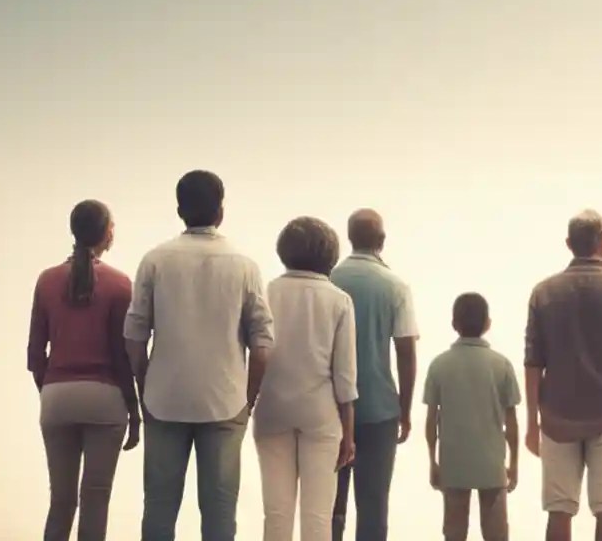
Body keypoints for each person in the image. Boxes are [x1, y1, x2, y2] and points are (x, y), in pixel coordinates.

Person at [124, 170, 275, 541]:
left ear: (179, 210)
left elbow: (134, 336)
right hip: (224, 400)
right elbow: (263, 343)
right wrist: (248, 398)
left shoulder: (155, 260)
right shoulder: (244, 264)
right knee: (220, 511)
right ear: (221, 210)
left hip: (164, 398)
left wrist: (145, 384)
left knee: (159, 506)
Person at [525, 209, 602, 541]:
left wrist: (531, 423)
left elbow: (533, 362)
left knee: (559, 509)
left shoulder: (543, 292)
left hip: (556, 416)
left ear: (569, 244)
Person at [27, 200, 141, 541]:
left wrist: (51, 391)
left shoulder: (46, 281)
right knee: (95, 499)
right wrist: (134, 412)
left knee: (60, 502)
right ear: (107, 233)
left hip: (57, 395)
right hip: (105, 399)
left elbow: (36, 354)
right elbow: (123, 358)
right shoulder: (120, 284)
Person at [253, 217, 359, 541]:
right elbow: (345, 376)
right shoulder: (339, 300)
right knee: (318, 517)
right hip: (320, 414)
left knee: (276, 513)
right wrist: (349, 433)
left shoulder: (266, 292)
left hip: (271, 410)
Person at [329, 208, 419, 541]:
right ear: (381, 240)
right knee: (373, 505)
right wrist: (405, 411)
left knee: (331, 504)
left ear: (349, 238)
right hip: (380, 410)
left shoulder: (329, 279)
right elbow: (406, 352)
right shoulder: (395, 286)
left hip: (332, 408)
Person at [423, 293, 521, 541]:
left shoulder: (439, 365)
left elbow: (431, 420)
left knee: (454, 530)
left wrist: (432, 461)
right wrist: (514, 463)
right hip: (491, 462)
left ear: (454, 324)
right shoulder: (502, 365)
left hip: (453, 462)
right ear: (488, 324)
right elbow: (511, 422)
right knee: (496, 532)